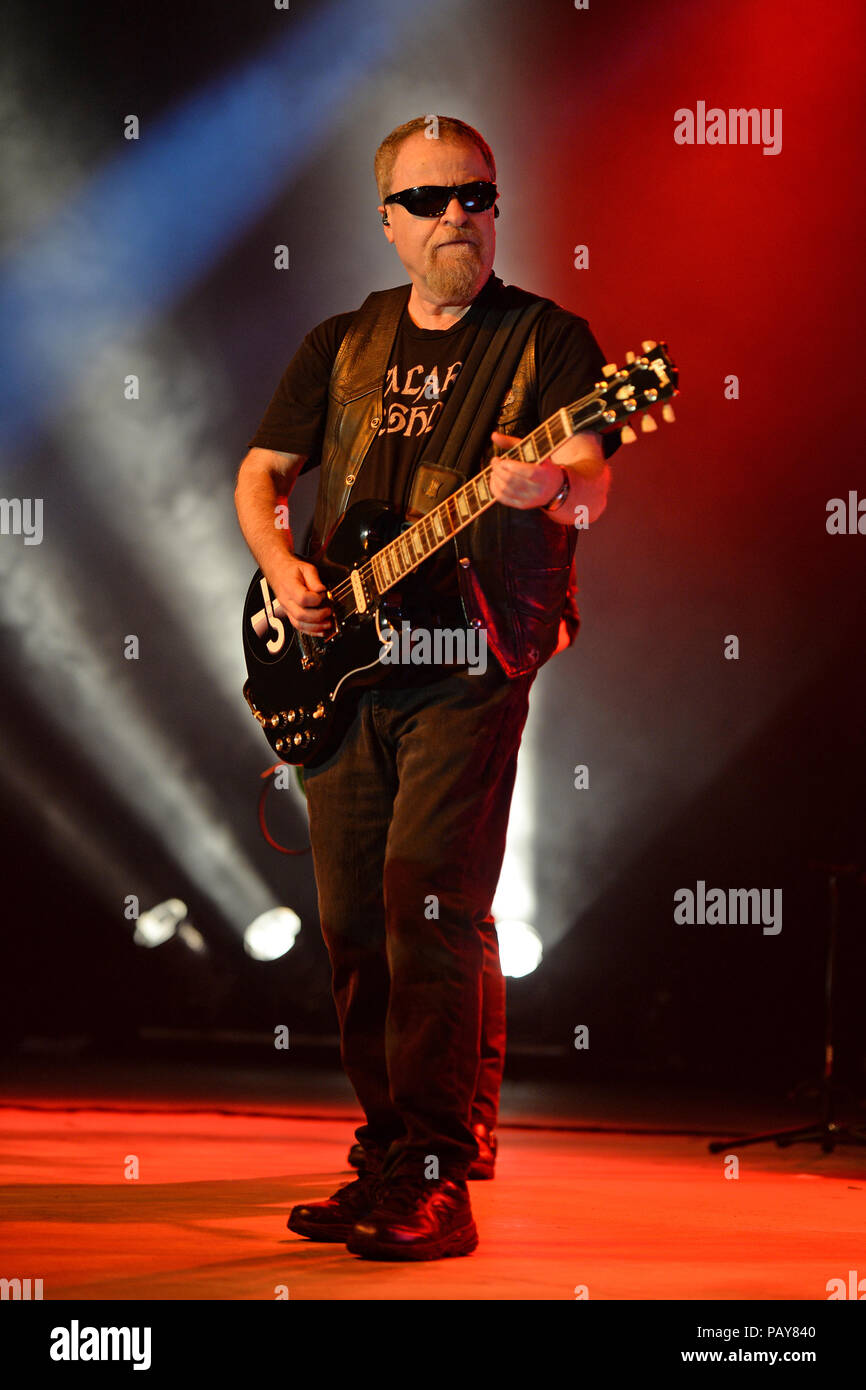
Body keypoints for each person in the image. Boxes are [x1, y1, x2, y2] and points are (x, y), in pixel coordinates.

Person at [234, 115, 619, 1261]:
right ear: (388, 221)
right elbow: (263, 475)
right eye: (432, 198)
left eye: (477, 195)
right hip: (344, 668)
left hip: (470, 659)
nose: (459, 213)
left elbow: (590, 482)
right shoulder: (343, 342)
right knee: (353, 918)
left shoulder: (545, 339)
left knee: (427, 898)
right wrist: (281, 567)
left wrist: (544, 482)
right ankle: (392, 1149)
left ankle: (441, 1174)